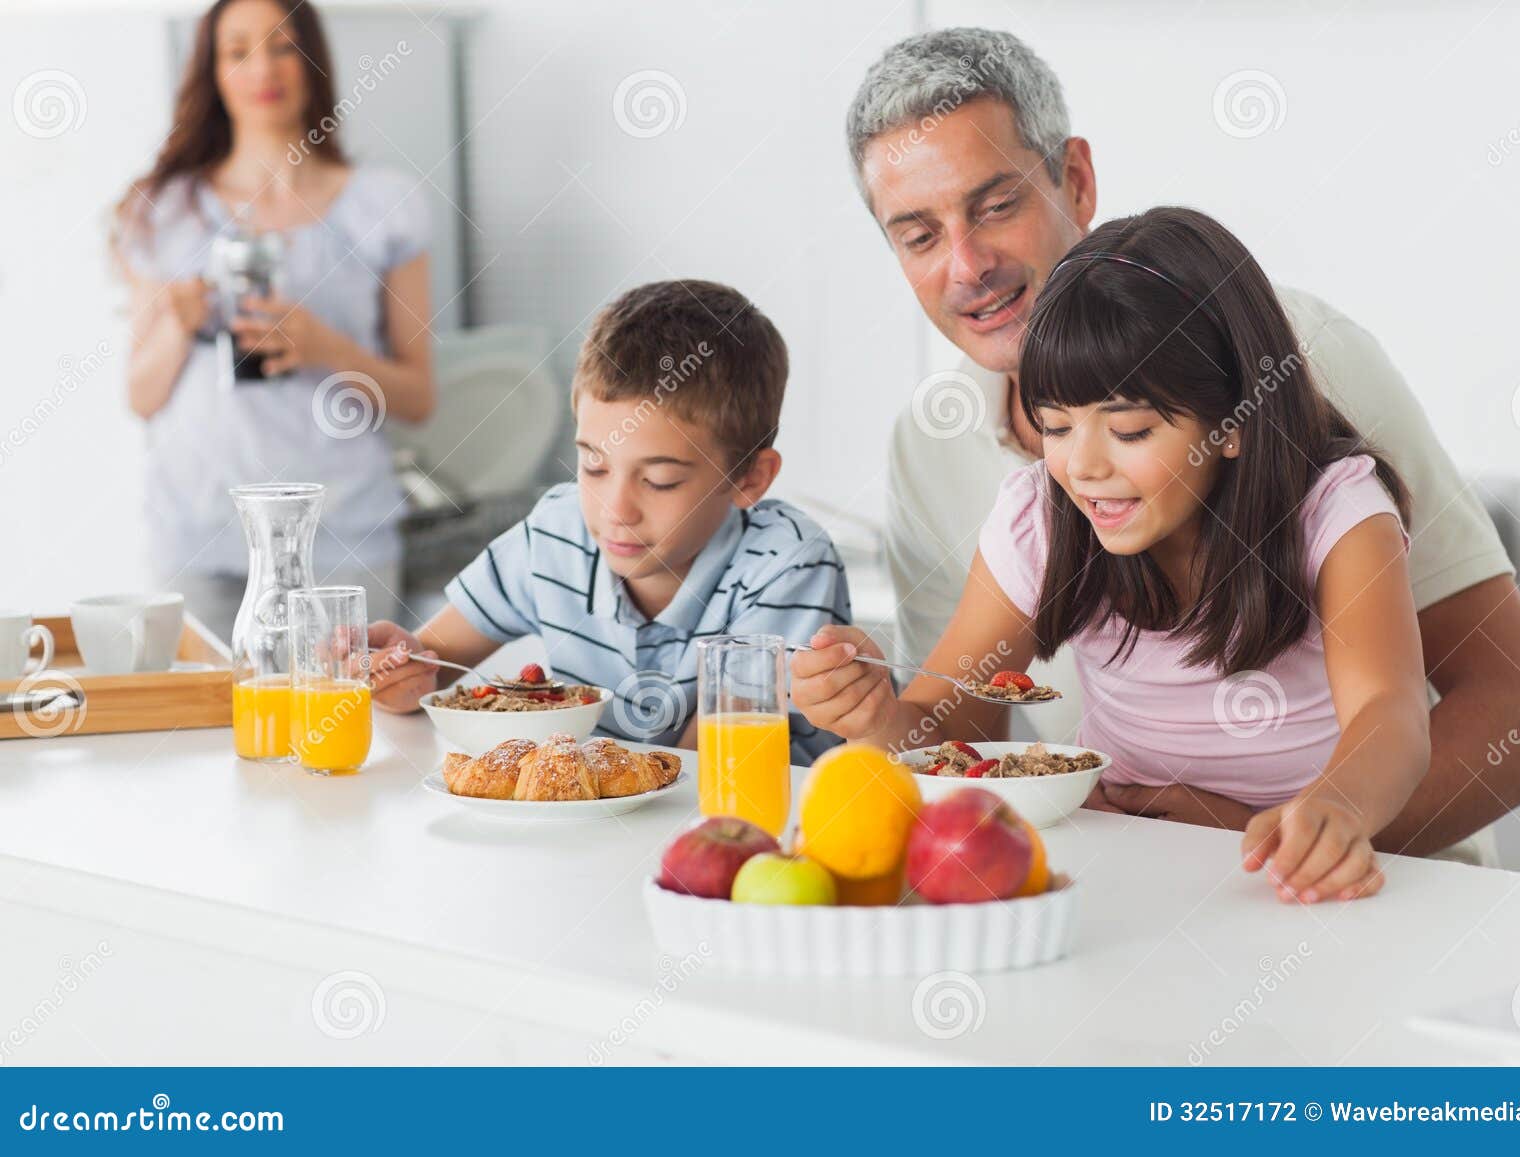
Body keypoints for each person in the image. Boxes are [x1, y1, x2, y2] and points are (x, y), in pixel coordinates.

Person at [839, 27, 1520, 861]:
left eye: (995, 205)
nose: (967, 263)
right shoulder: (941, 454)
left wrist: (1266, 845)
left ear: (1074, 182)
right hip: (1136, 895)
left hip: (1360, 892)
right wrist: (873, 714)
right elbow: (955, 735)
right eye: (920, 233)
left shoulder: (1296, 364)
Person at [796, 207, 1430, 903]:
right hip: (1121, 881)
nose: (1083, 466)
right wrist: (875, 715)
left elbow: (1389, 710)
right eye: (1057, 425)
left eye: (1129, 429)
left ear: (1233, 423)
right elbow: (941, 727)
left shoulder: (1334, 512)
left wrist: (1339, 807)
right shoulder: (1041, 518)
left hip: (1290, 889)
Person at [368, 280, 851, 764]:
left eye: (660, 480)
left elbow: (711, 770)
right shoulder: (557, 532)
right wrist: (397, 672)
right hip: (614, 828)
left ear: (749, 477)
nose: (615, 510)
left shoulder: (786, 563)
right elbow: (428, 668)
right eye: (594, 467)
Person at [112, 0, 436, 638]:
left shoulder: (386, 204)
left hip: (344, 537)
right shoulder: (164, 211)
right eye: (237, 51)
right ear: (213, 71)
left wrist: (323, 345)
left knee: (345, 725)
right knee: (209, 733)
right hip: (198, 534)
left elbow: (419, 398)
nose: (263, 67)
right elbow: (141, 396)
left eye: (283, 46)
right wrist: (178, 323)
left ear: (313, 60)